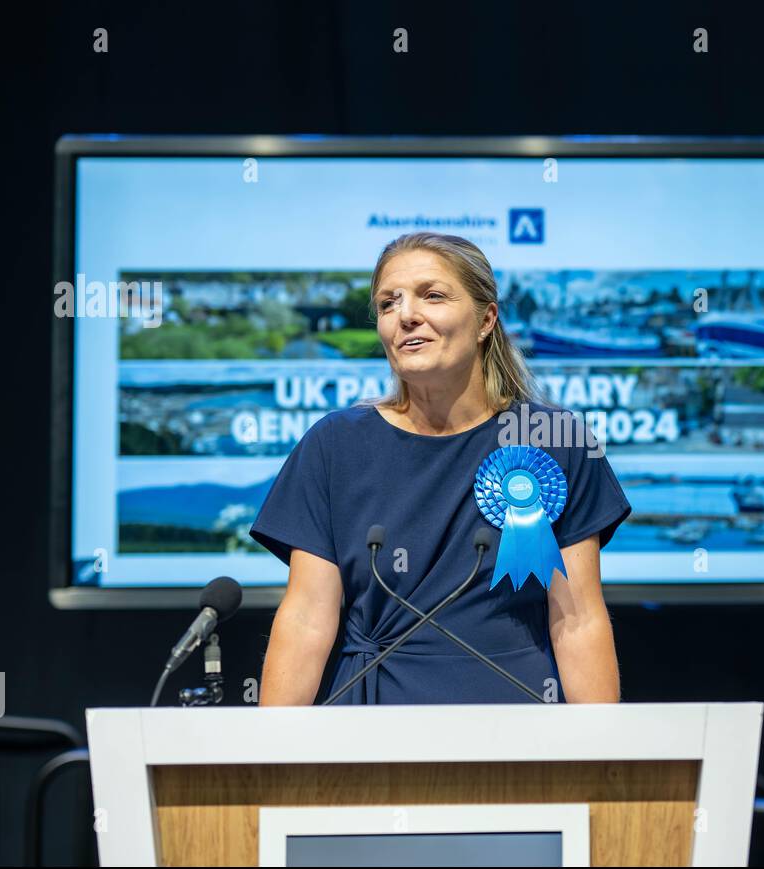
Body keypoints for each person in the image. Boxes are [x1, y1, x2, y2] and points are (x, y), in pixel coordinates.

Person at [249, 232, 632, 705]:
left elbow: (577, 621)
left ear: (485, 319)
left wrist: (601, 758)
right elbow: (307, 617)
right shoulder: (334, 444)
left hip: (514, 720)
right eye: (389, 303)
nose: (406, 315)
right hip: (368, 723)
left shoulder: (555, 440)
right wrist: (271, 761)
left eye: (432, 295)